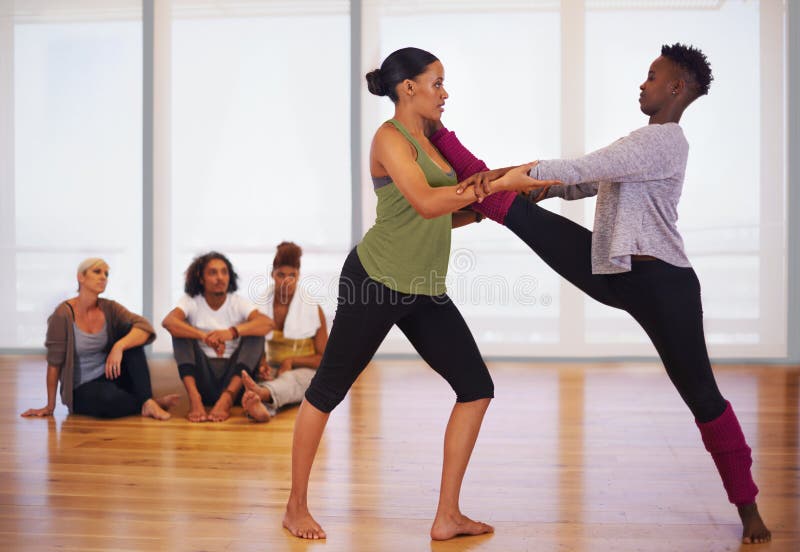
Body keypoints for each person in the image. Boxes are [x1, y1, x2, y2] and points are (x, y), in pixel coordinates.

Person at [428, 43, 771, 545]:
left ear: (676, 88)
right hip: (612, 272)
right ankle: (444, 139)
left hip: (664, 286)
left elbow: (584, 167)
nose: (642, 83)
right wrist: (522, 183)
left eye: (652, 76)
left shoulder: (667, 141)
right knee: (517, 212)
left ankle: (748, 507)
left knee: (702, 396)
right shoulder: (641, 140)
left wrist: (516, 177)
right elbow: (577, 183)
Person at [281, 47, 551, 541]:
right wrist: (492, 186)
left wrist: (512, 194)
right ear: (408, 87)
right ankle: (295, 506)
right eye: (437, 83)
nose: (445, 94)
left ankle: (447, 515)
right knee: (326, 391)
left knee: (476, 388)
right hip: (375, 280)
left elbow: (448, 213)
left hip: (424, 286)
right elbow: (427, 202)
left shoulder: (432, 140)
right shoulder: (390, 138)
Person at [21, 258, 177, 420]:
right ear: (81, 277)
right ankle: (147, 402)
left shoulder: (109, 308)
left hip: (109, 375)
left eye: (106, 274)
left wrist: (119, 346)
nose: (103, 277)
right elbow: (54, 363)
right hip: (81, 389)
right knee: (109, 398)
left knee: (130, 337)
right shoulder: (63, 315)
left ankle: (146, 401)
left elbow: (144, 327)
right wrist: (50, 406)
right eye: (97, 272)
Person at [162, 251, 273, 423]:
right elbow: (169, 322)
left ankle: (226, 400)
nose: (220, 277)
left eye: (224, 272)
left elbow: (267, 324)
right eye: (213, 272)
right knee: (179, 331)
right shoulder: (191, 301)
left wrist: (231, 332)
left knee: (255, 334)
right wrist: (204, 336)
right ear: (201, 278)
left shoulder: (238, 302)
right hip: (203, 379)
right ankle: (195, 400)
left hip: (235, 381)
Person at [240, 242, 328, 422]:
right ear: (272, 274)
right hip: (272, 369)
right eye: (281, 275)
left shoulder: (313, 309)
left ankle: (262, 396)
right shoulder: (258, 308)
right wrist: (262, 364)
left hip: (303, 371)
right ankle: (261, 403)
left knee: (293, 379)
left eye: (292, 275)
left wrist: (291, 361)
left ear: (298, 276)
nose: (286, 281)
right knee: (252, 377)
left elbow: (323, 359)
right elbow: (253, 345)